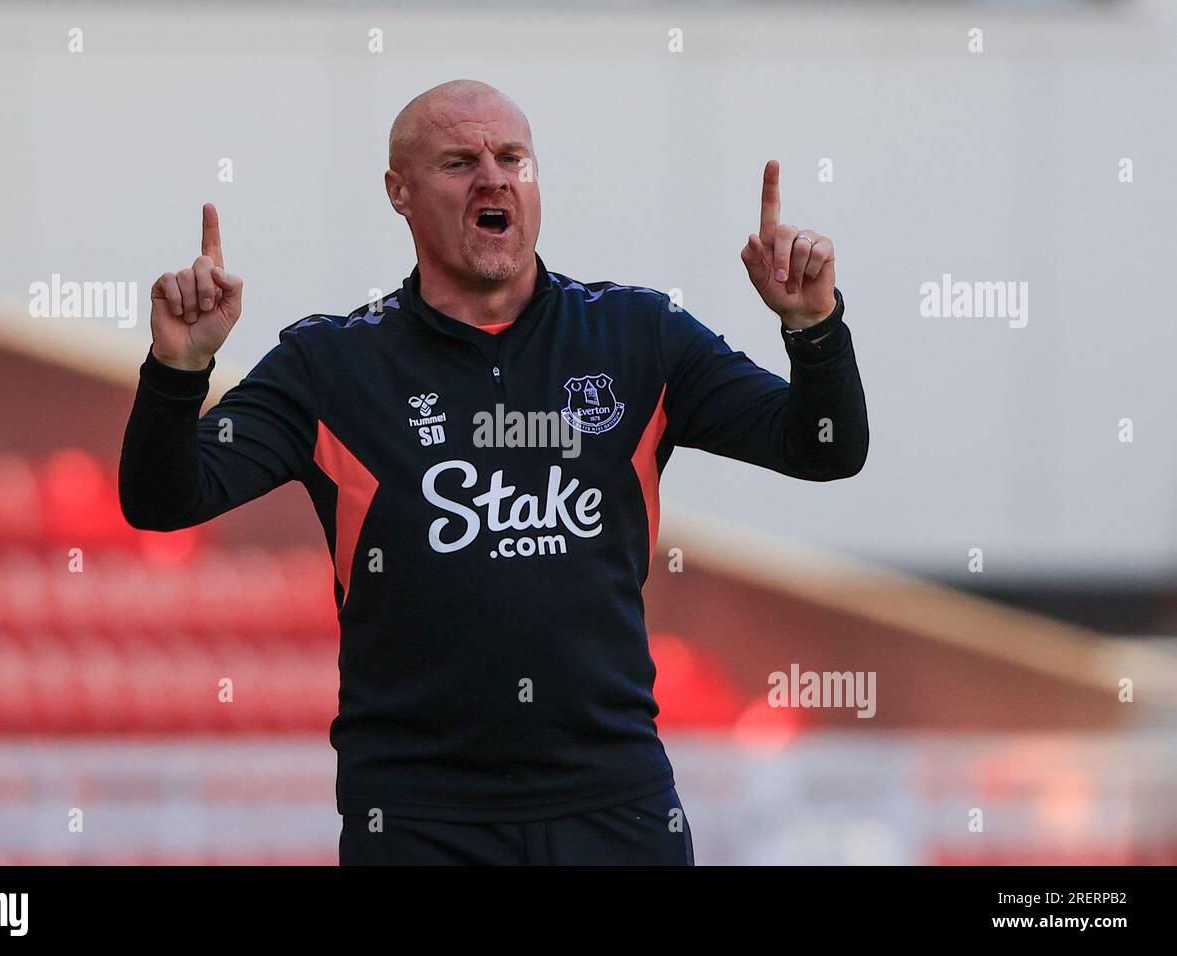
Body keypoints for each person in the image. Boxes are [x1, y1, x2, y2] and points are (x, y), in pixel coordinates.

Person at [119, 79, 869, 865]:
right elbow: (163, 501)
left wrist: (814, 328)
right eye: (459, 162)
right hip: (418, 818)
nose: (494, 178)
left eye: (513, 157)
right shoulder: (330, 365)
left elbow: (823, 448)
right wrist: (179, 370)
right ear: (399, 193)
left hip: (614, 805)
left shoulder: (638, 336)